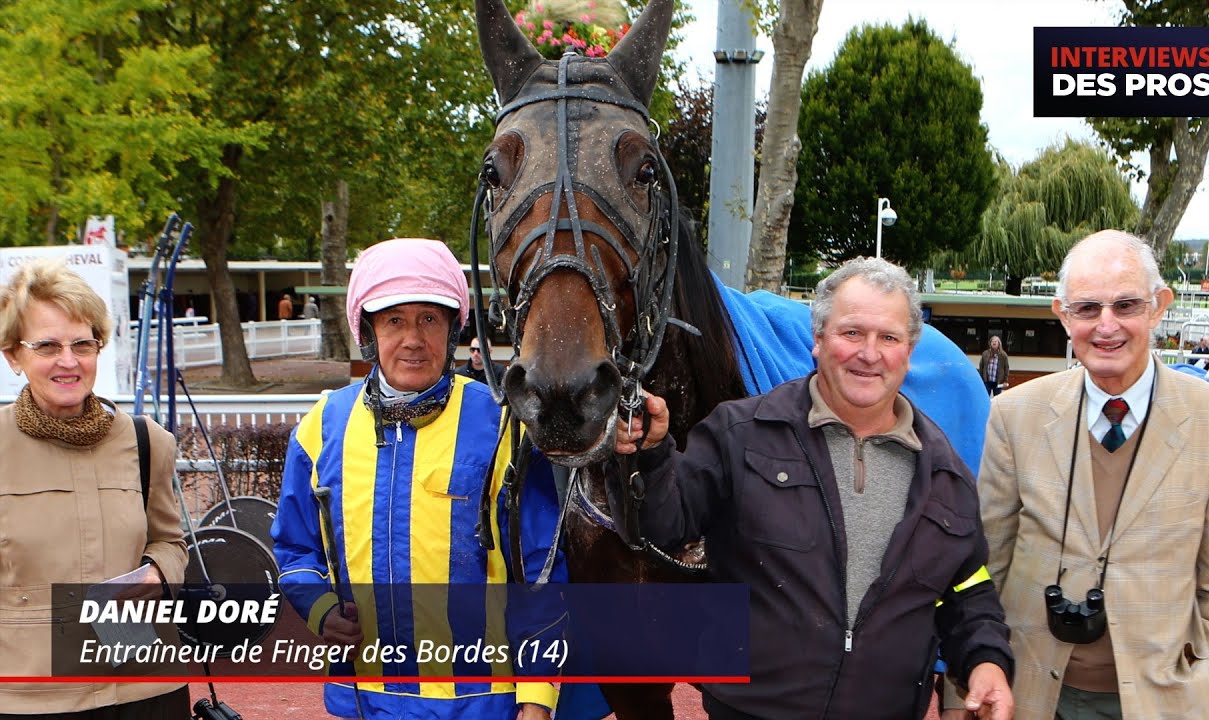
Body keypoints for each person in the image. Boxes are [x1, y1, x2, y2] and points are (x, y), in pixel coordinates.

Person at [615, 257, 1015, 720]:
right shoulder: (738, 433)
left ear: (909, 352)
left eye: (888, 337)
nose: (870, 353)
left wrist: (986, 661)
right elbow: (661, 525)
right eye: (852, 333)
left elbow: (968, 589)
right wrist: (649, 453)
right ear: (818, 341)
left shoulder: (947, 473)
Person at [947, 230, 1209, 718]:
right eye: (1088, 309)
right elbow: (984, 567)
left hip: (1165, 701)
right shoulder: (1014, 415)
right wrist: (961, 688)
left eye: (1126, 305)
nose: (1106, 326)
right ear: (1062, 315)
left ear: (1159, 307)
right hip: (1032, 696)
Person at [271, 238, 564, 720]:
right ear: (369, 331)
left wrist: (538, 697)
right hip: (363, 701)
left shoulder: (501, 424)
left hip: (483, 704)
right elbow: (295, 548)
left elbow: (541, 569)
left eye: (429, 319)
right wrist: (321, 609)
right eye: (394, 320)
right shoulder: (322, 426)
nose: (412, 338)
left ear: (452, 329)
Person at [0, 258, 189, 716]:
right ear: (13, 355)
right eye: (46, 345)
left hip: (146, 686)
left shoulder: (147, 442)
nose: (68, 361)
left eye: (82, 344)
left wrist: (156, 573)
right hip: (33, 696)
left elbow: (170, 542)